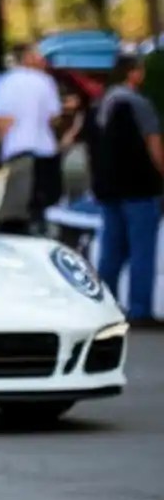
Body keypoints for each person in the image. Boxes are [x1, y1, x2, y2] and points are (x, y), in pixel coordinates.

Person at [90, 55, 164, 322]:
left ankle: (102, 306)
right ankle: (139, 309)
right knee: (142, 250)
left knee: (112, 249)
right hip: (140, 187)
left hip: (109, 187)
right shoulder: (139, 104)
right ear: (134, 73)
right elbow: (153, 144)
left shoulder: (102, 105)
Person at [0, 43, 63, 232]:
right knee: (42, 207)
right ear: (27, 57)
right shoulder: (46, 81)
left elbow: (0, 120)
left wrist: (2, 144)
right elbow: (54, 117)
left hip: (17, 150)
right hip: (45, 151)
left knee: (16, 210)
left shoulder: (3, 83)